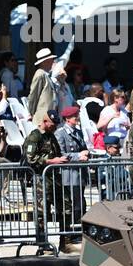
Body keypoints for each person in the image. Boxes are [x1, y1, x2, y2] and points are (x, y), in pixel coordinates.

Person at [23, 113, 68, 255]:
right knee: (42, 213)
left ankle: (65, 242)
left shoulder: (51, 136)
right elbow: (31, 158)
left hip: (55, 179)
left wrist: (60, 159)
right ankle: (43, 245)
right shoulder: (35, 136)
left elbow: (57, 153)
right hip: (41, 180)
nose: (54, 128)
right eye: (52, 125)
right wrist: (51, 161)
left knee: (66, 208)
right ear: (45, 122)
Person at [54, 106, 91, 253]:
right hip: (68, 176)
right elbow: (60, 153)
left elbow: (82, 147)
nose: (77, 118)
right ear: (67, 118)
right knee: (69, 207)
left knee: (80, 205)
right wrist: (77, 156)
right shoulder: (60, 133)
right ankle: (68, 237)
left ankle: (77, 234)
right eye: (74, 116)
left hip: (79, 175)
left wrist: (87, 153)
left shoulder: (78, 132)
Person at [24, 47, 56, 124]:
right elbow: (33, 96)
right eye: (51, 59)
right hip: (42, 118)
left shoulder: (46, 75)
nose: (53, 61)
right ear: (45, 61)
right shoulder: (40, 74)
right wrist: (31, 113)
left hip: (48, 117)